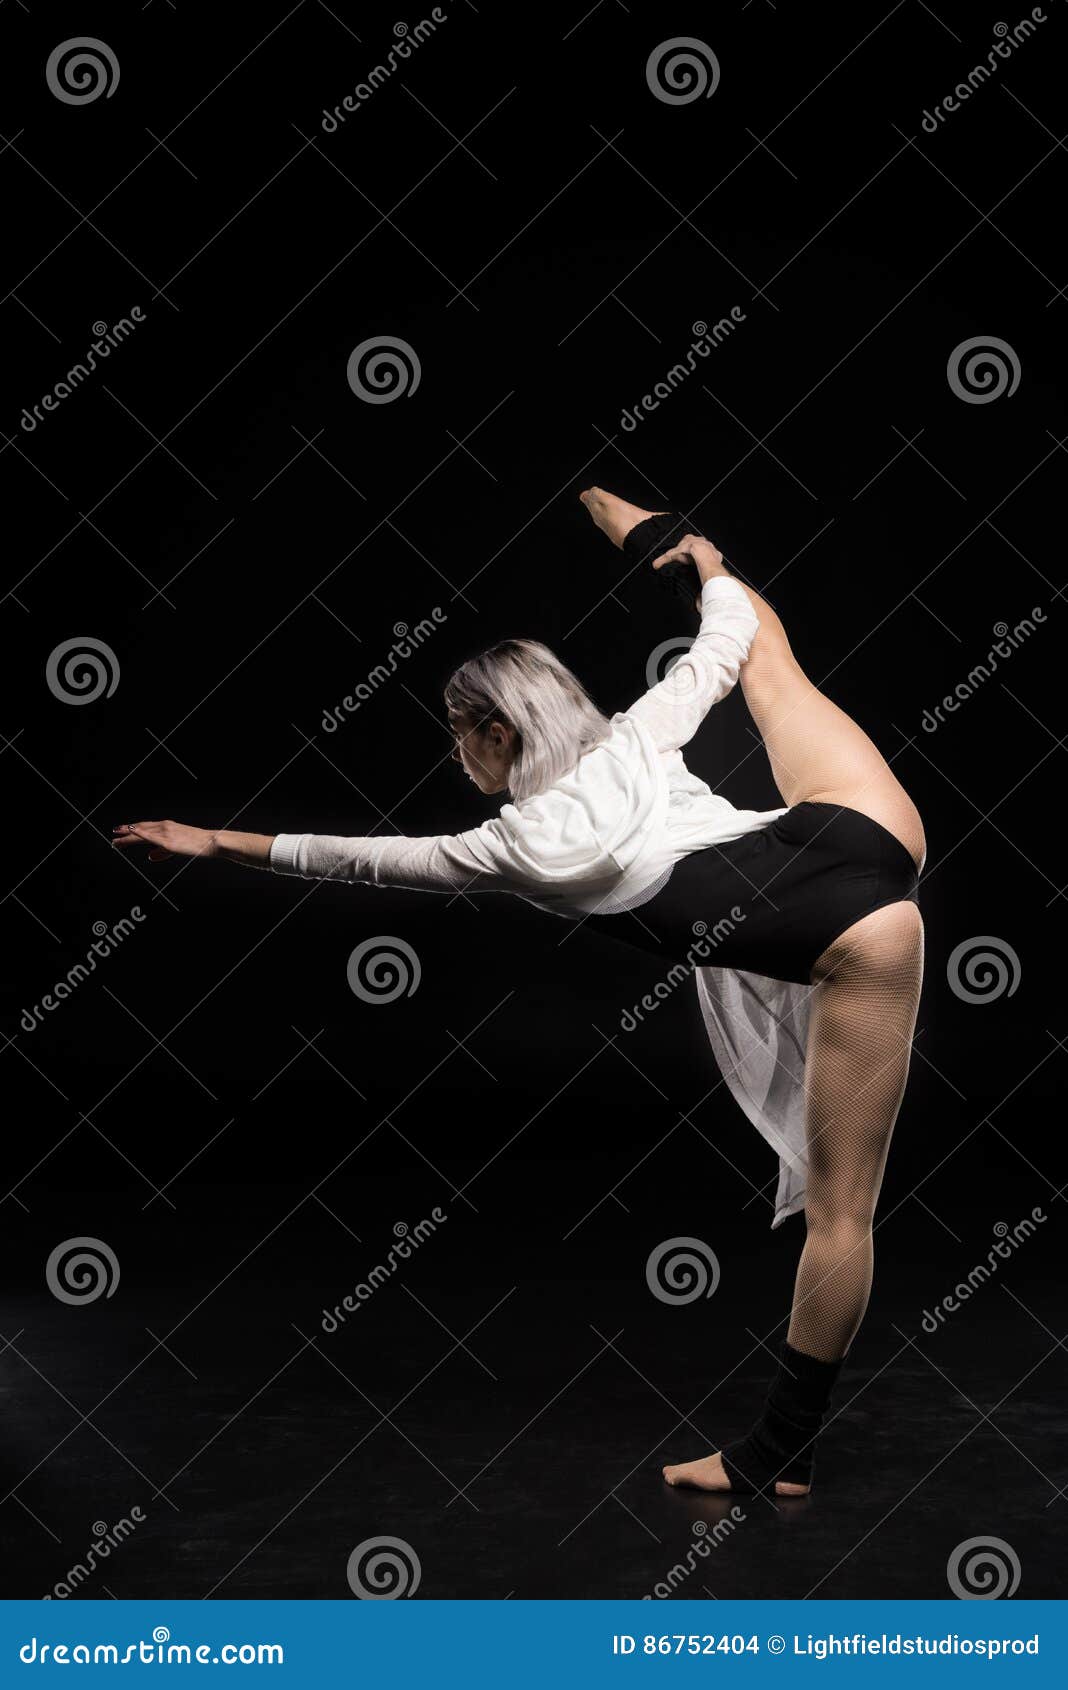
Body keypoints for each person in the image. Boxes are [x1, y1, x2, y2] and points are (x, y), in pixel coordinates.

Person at [114, 488, 925, 1498]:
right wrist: (709, 576)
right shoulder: (638, 734)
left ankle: (780, 1456)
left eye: (461, 736)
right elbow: (725, 643)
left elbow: (351, 860)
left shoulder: (508, 846)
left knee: (842, 1216)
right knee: (762, 650)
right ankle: (674, 538)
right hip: (867, 822)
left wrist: (212, 841)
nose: (459, 759)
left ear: (496, 731)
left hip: (865, 939)